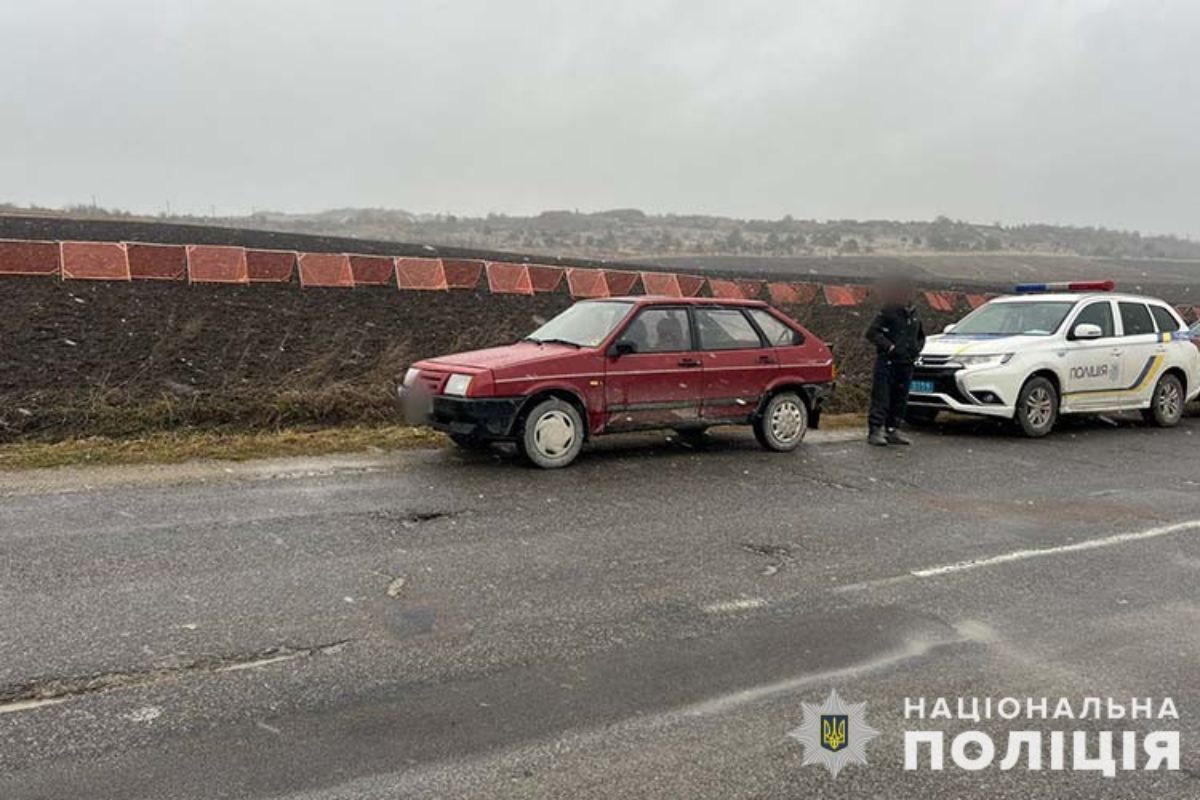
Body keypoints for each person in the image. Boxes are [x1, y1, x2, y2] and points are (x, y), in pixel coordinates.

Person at [864, 279, 925, 446]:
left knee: (900, 398)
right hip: (887, 362)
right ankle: (875, 430)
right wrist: (890, 347)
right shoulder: (888, 311)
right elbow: (872, 333)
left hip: (907, 363)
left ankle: (893, 429)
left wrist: (916, 349)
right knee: (882, 397)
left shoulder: (914, 314)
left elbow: (920, 336)